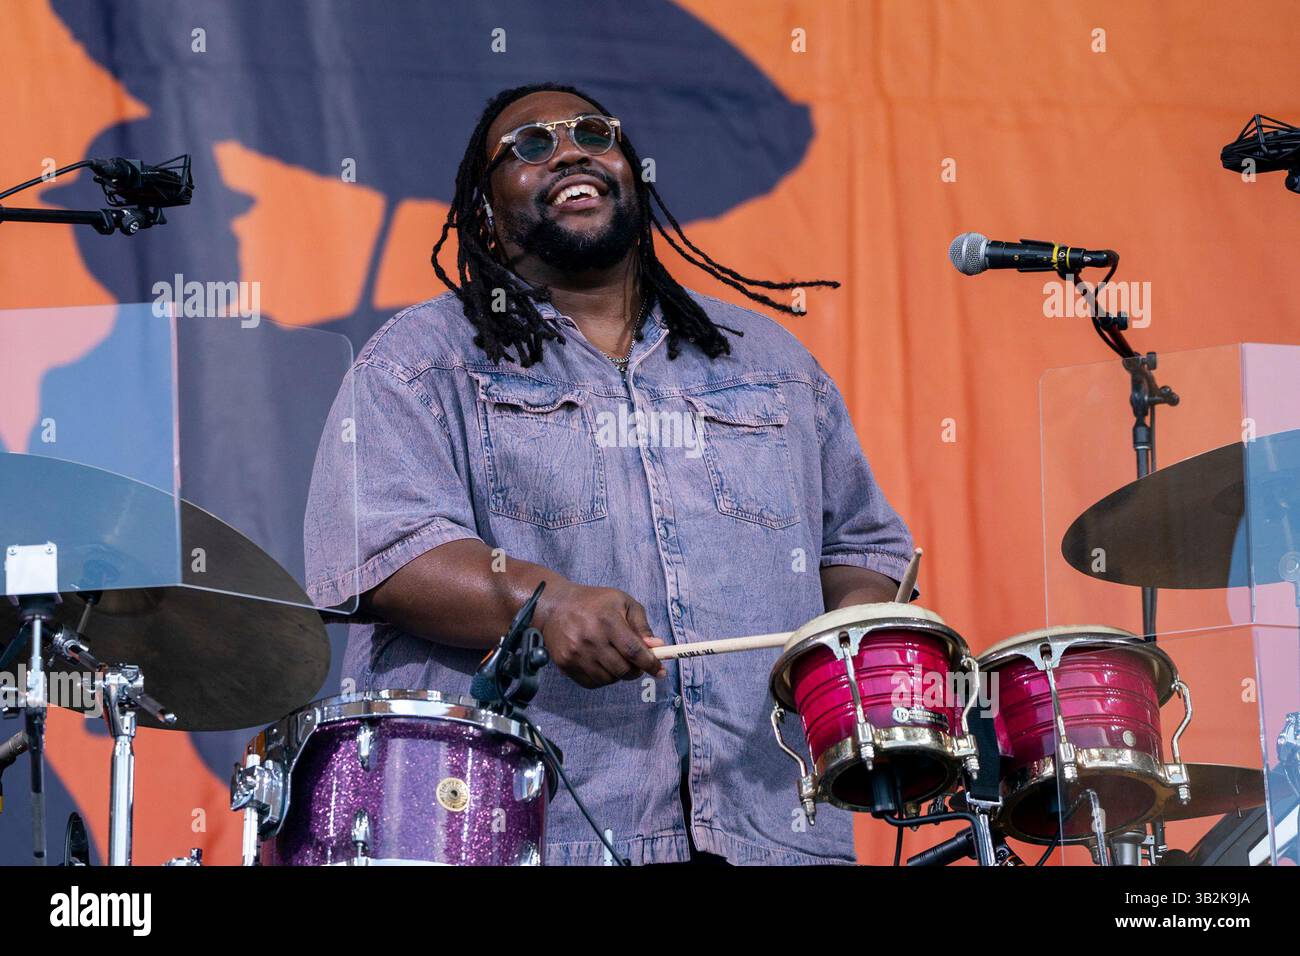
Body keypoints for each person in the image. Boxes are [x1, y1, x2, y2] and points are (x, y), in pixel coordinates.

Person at [305, 82, 914, 865]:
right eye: (528, 145)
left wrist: (843, 642)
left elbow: (864, 546)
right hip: (530, 830)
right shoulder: (423, 359)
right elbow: (377, 551)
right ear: (485, 210)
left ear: (634, 170)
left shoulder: (767, 361)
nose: (568, 150)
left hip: (771, 828)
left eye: (594, 132)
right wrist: (545, 604)